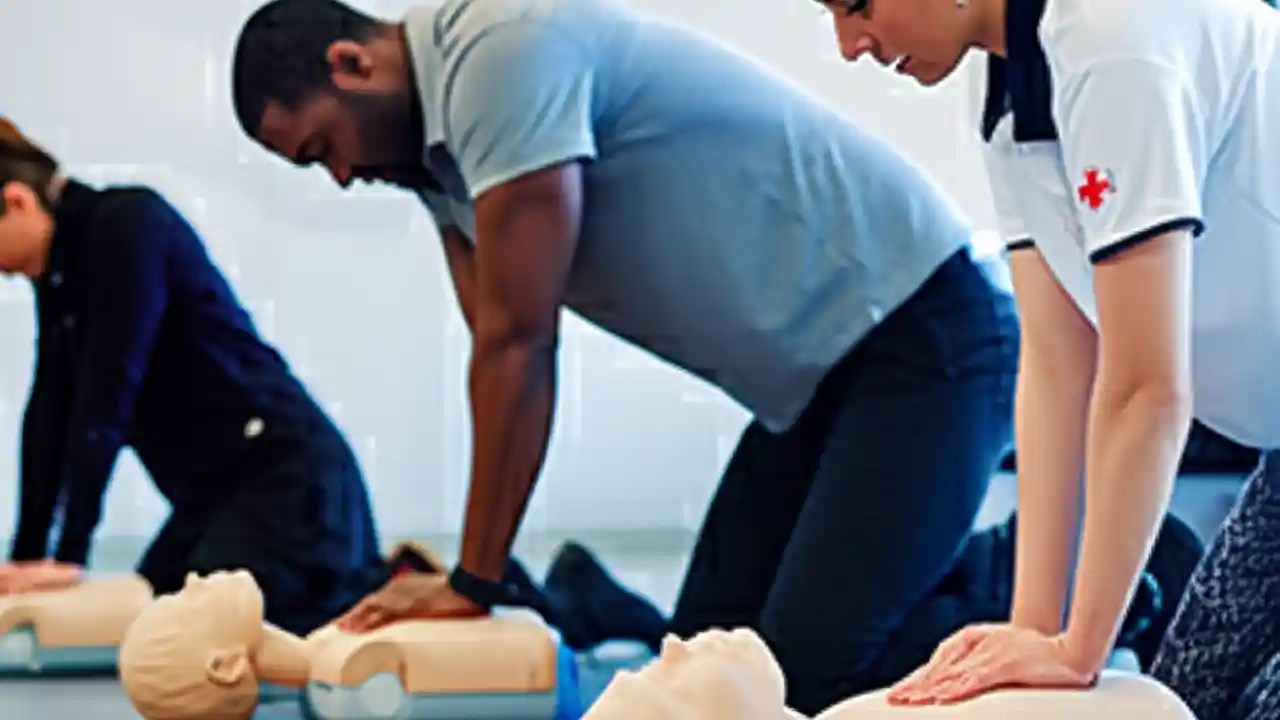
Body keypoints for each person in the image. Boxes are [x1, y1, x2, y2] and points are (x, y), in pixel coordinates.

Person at [228, 0, 1027, 711]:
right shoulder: (429, 161)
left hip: (924, 334)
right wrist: (475, 576)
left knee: (791, 687)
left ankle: (1022, 577)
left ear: (352, 64)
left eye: (321, 148)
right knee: (699, 673)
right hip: (815, 389)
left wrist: (474, 581)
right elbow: (492, 344)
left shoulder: (499, 52)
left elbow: (519, 343)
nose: (339, 177)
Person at [814, 0, 1280, 717]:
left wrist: (1079, 649)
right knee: (1191, 697)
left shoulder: (1117, 37)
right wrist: (1032, 630)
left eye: (857, 5)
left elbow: (1147, 389)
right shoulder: (1010, 83)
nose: (850, 45)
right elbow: (1061, 366)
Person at [0, 117, 395, 635]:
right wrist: (26, 561)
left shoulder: (127, 226)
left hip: (285, 478)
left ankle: (397, 584)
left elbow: (109, 393)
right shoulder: (59, 272)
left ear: (17, 203)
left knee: (201, 633)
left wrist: (70, 555)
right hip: (211, 496)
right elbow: (49, 412)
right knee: (156, 626)